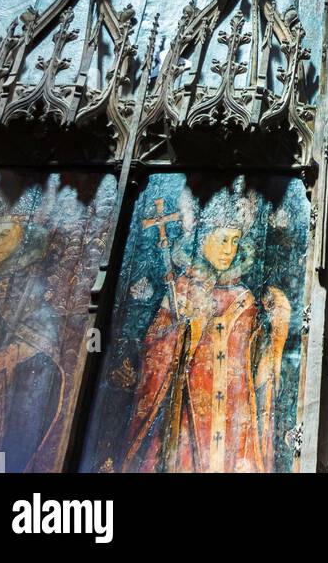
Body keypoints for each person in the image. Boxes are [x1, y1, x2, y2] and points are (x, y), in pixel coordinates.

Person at [122, 191, 290, 473]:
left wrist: (277, 332)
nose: (229, 249)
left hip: (233, 424)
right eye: (223, 239)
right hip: (188, 416)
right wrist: (184, 333)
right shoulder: (182, 292)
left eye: (235, 241)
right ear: (203, 239)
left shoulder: (244, 300)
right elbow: (154, 351)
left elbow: (256, 372)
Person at [0, 208, 62, 472]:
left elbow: (45, 343)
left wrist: (9, 355)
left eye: (4, 235)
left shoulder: (30, 290)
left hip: (4, 390)